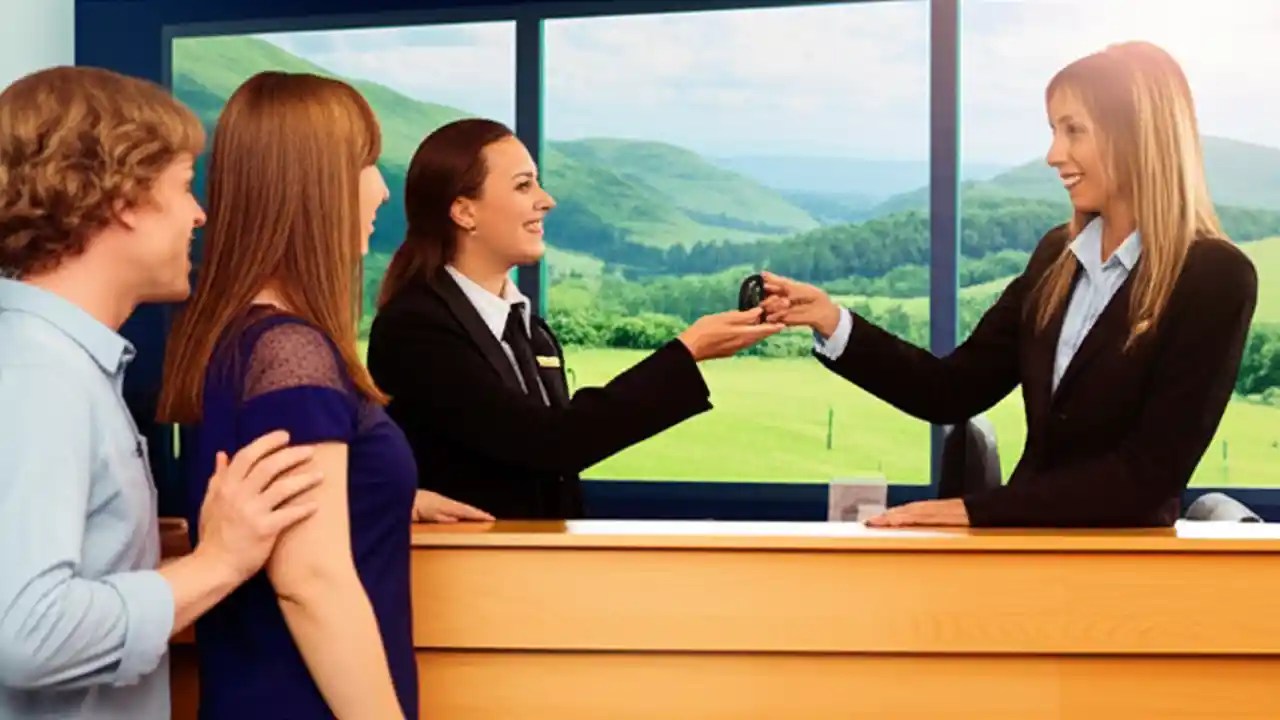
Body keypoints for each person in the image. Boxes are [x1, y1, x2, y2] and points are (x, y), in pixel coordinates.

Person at [762, 41, 1257, 528]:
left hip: (1122, 572)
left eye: (1073, 131)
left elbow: (1146, 477)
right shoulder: (1054, 259)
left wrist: (975, 510)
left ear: (1137, 137)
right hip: (1023, 555)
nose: (1053, 154)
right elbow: (950, 390)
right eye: (1053, 131)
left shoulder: (1215, 277)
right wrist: (831, 321)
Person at [0, 66, 320, 719]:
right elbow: (25, 634)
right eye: (182, 187)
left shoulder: (59, 366)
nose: (199, 213)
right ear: (123, 198)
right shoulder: (40, 377)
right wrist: (218, 564)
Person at [156, 72, 478, 720]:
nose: (383, 189)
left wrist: (380, 491)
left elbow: (281, 505)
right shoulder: (291, 352)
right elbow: (310, 580)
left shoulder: (238, 339)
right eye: (365, 164)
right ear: (313, 185)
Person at [368, 118, 782, 519]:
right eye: (523, 185)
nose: (546, 201)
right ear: (464, 212)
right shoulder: (416, 329)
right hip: (460, 575)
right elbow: (547, 441)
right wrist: (687, 354)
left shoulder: (531, 331)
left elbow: (556, 473)